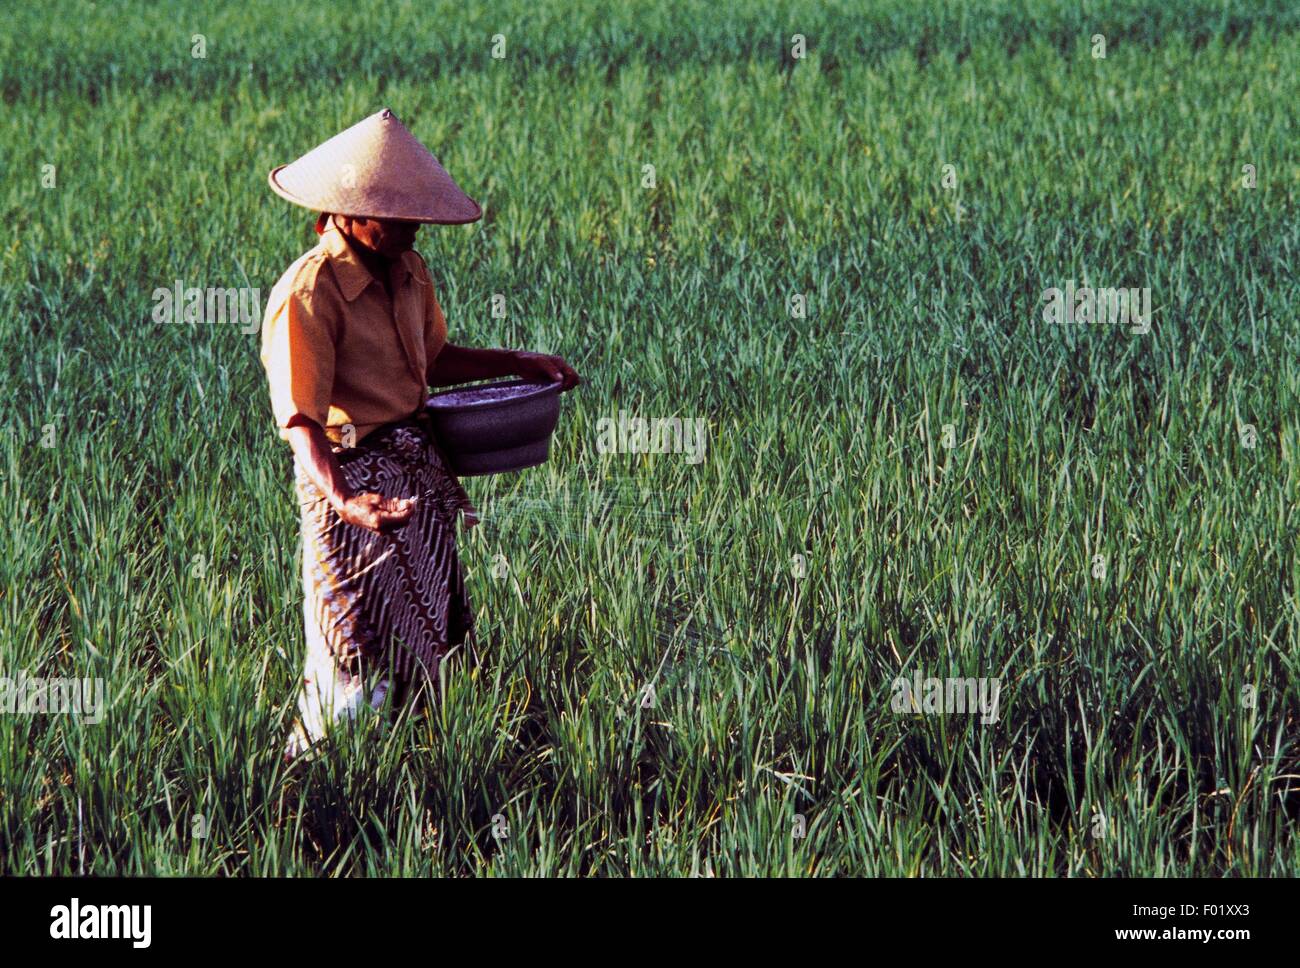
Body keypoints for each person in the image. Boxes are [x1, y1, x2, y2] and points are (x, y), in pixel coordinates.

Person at [260, 108, 579, 762]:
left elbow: (430, 360)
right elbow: (301, 422)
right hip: (350, 485)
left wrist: (516, 363)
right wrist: (348, 499)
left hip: (415, 483)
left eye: (414, 216)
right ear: (346, 212)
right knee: (357, 643)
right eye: (394, 215)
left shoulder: (410, 273)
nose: (409, 228)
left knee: (426, 639)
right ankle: (314, 784)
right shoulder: (311, 292)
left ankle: (412, 774)